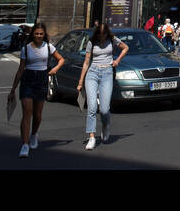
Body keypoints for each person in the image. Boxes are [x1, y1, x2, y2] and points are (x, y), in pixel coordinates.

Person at [8, 22, 65, 158]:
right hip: (28, 79)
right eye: (36, 34)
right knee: (27, 113)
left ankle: (34, 134)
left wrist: (55, 69)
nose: (39, 36)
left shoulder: (49, 47)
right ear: (32, 34)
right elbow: (20, 69)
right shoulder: (26, 49)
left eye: (41, 34)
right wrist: (13, 89)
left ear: (44, 35)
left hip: (42, 79)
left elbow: (61, 59)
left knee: (37, 114)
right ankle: (25, 144)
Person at [77, 22, 128, 149]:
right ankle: (92, 137)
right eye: (100, 35)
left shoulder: (112, 39)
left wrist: (117, 60)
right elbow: (86, 62)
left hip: (107, 73)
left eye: (104, 34)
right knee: (92, 107)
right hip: (92, 73)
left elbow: (125, 48)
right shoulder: (91, 42)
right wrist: (80, 82)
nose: (102, 37)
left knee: (104, 109)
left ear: (107, 33)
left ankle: (106, 125)